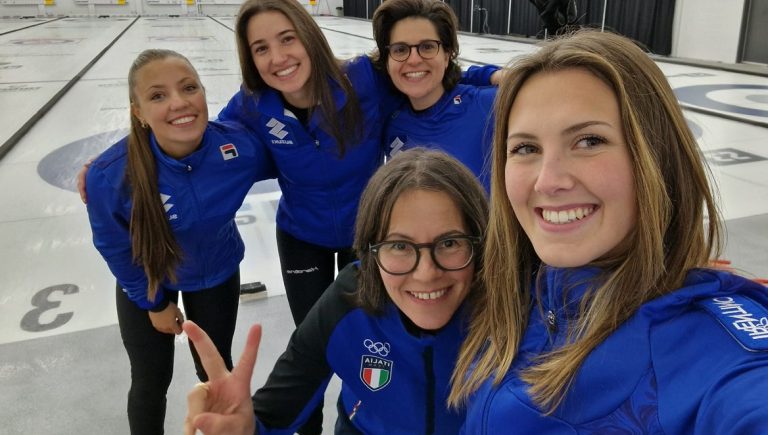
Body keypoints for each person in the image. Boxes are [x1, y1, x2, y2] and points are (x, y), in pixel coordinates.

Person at [447, 30, 768, 433]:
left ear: (656, 157)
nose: (548, 181)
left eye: (589, 140)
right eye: (526, 148)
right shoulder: (515, 293)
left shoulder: (712, 356)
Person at [218, 0, 500, 332]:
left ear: (309, 37)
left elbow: (426, 70)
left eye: (288, 38)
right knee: (312, 338)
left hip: (367, 233)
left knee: (369, 336)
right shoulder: (251, 105)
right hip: (302, 236)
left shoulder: (362, 80)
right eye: (260, 48)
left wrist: (493, 75)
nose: (278, 58)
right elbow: (206, 145)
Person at [182, 148, 489, 435]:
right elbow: (271, 415)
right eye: (399, 246)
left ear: (481, 244)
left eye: (449, 243)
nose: (426, 273)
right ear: (370, 251)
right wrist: (245, 427)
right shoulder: (347, 301)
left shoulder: (510, 306)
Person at [85, 48, 275, 435]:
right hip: (149, 279)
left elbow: (299, 158)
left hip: (216, 273)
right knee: (150, 381)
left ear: (204, 93)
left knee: (216, 372)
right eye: (157, 96)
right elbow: (116, 247)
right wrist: (153, 302)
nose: (179, 103)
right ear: (138, 112)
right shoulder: (110, 175)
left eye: (189, 88)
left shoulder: (240, 149)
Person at [373, 0, 497, 190]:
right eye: (400, 49)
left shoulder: (486, 105)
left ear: (447, 55)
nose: (414, 60)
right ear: (387, 61)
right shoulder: (389, 117)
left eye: (427, 47)